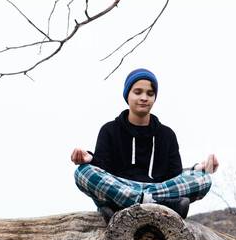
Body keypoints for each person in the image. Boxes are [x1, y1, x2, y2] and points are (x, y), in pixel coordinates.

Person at [71, 68, 218, 222]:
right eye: (138, 92)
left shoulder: (167, 135)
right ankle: (156, 205)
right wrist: (90, 159)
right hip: (121, 187)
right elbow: (103, 170)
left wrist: (197, 169)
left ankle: (128, 205)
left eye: (150, 93)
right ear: (127, 94)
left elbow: (174, 176)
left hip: (159, 189)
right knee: (83, 172)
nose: (144, 98)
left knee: (204, 179)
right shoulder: (109, 130)